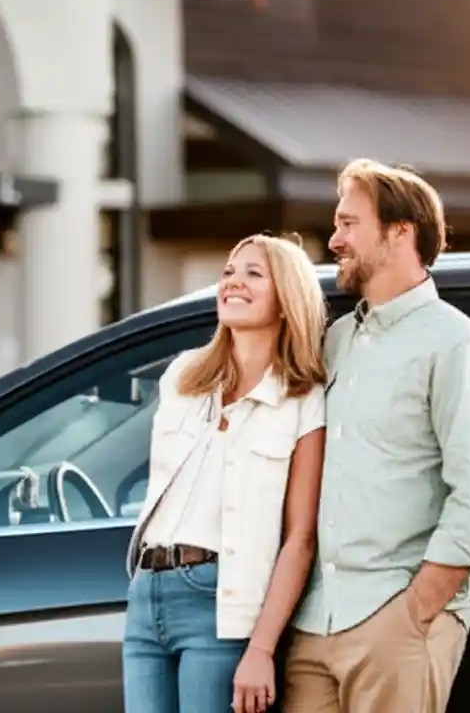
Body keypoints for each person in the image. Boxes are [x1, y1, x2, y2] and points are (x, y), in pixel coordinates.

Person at [281, 158, 470, 713]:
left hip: (396, 618)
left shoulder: (457, 345)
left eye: (348, 223)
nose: (334, 239)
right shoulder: (335, 340)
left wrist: (418, 608)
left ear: (400, 232)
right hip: (314, 622)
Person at [123, 232, 329, 713]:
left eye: (254, 274)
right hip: (148, 590)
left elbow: (300, 538)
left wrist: (261, 648)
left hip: (219, 600)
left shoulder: (302, 398)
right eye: (229, 273)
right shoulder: (184, 376)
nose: (233, 283)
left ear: (286, 300)